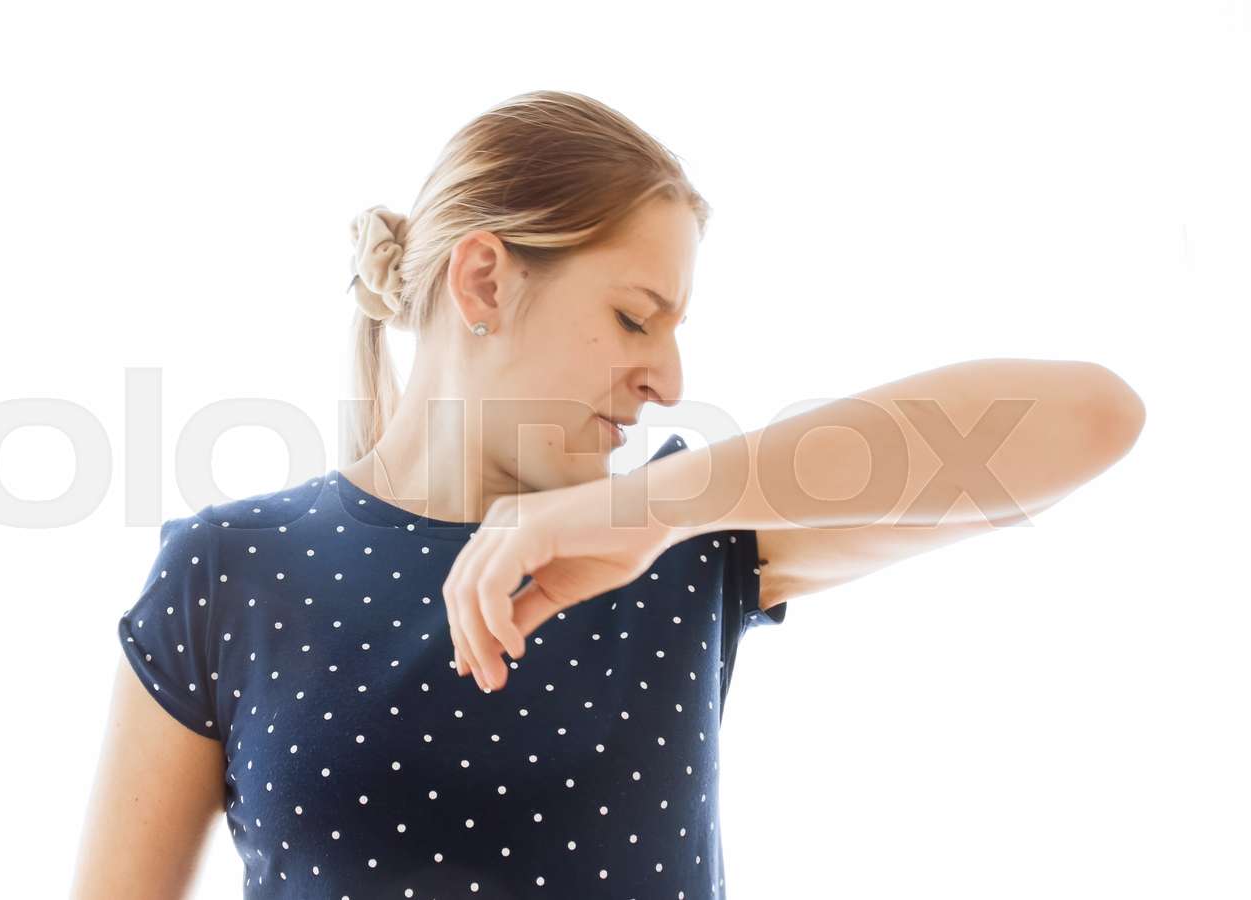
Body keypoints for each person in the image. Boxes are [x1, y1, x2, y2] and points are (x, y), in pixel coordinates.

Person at [72, 90, 1146, 899]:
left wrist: (650, 510)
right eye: (638, 318)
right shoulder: (231, 569)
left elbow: (1091, 419)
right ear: (484, 280)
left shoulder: (683, 537)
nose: (669, 380)